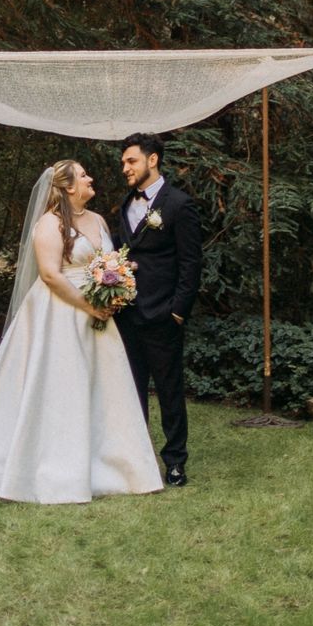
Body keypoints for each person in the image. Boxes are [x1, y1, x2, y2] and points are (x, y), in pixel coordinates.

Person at [0, 160, 164, 503]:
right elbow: (50, 275)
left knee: (103, 387)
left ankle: (113, 467)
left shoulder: (96, 220)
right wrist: (89, 305)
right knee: (59, 388)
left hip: (99, 316)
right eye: (82, 175)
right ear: (67, 187)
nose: (90, 178)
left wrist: (114, 289)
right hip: (58, 314)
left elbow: (108, 262)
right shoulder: (49, 224)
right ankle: (51, 470)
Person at [109, 133, 202, 486]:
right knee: (131, 390)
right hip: (127, 314)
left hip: (163, 315)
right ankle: (138, 457)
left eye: (131, 161)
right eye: (123, 163)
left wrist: (178, 311)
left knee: (169, 391)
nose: (125, 168)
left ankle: (175, 460)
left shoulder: (179, 204)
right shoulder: (125, 205)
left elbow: (191, 263)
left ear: (152, 160)